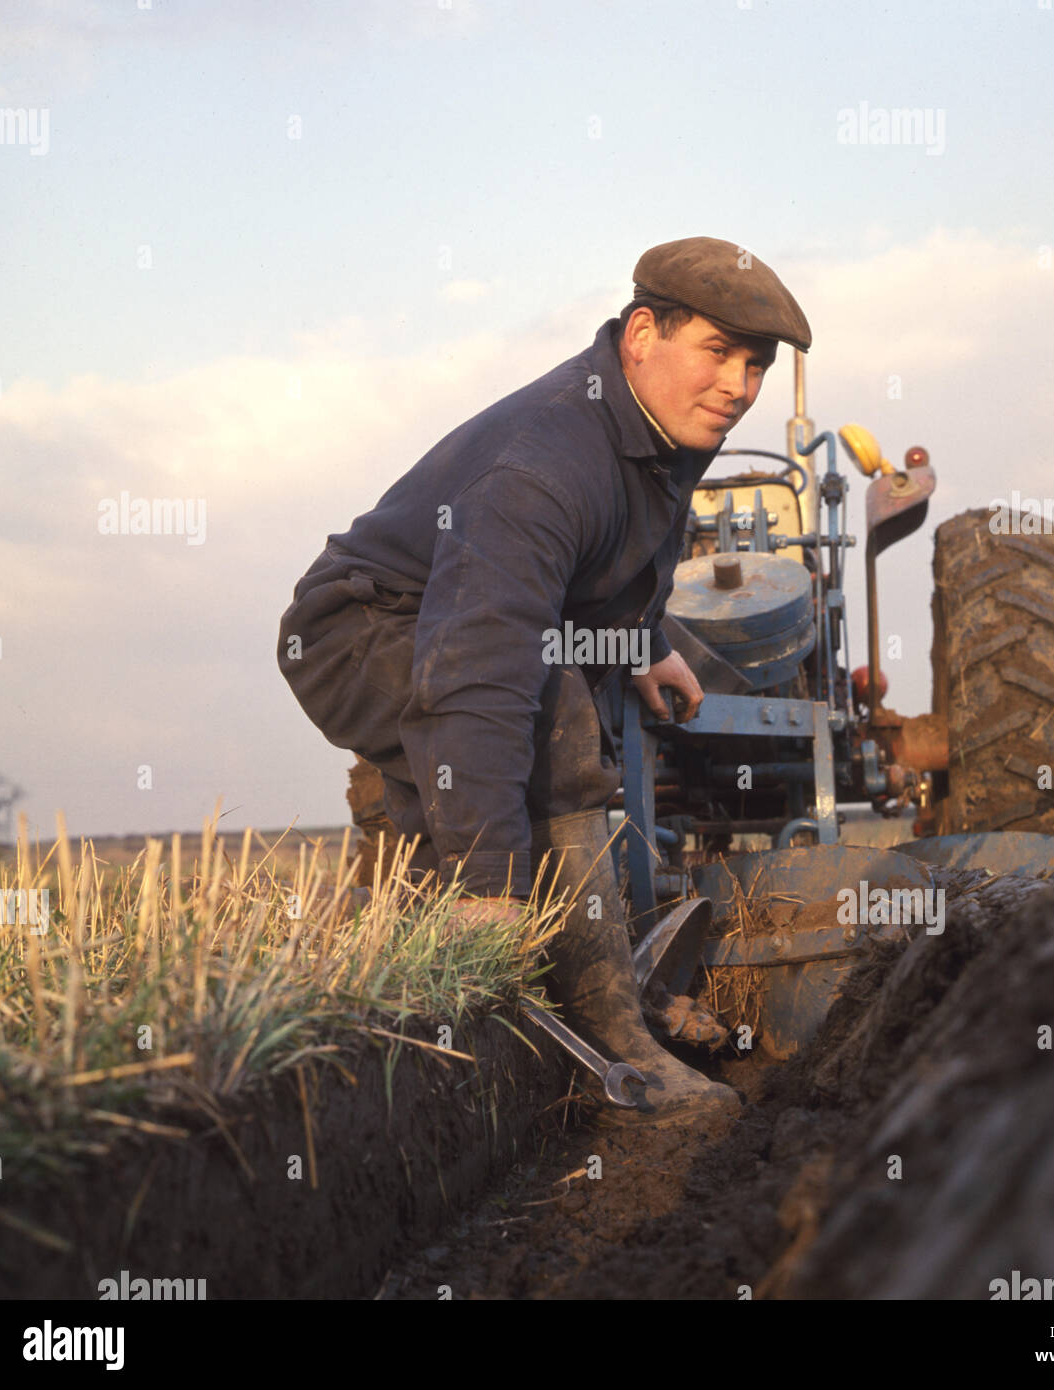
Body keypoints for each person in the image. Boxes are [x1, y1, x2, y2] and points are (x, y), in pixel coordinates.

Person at [277, 236, 811, 1123]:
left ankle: (474, 1009)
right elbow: (476, 672)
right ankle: (612, 1038)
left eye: (755, 365)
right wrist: (492, 883)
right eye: (718, 353)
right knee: (545, 713)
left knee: (536, 726)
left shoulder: (655, 430)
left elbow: (604, 564)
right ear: (642, 333)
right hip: (358, 630)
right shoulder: (542, 464)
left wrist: (641, 642)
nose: (739, 386)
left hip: (451, 620)